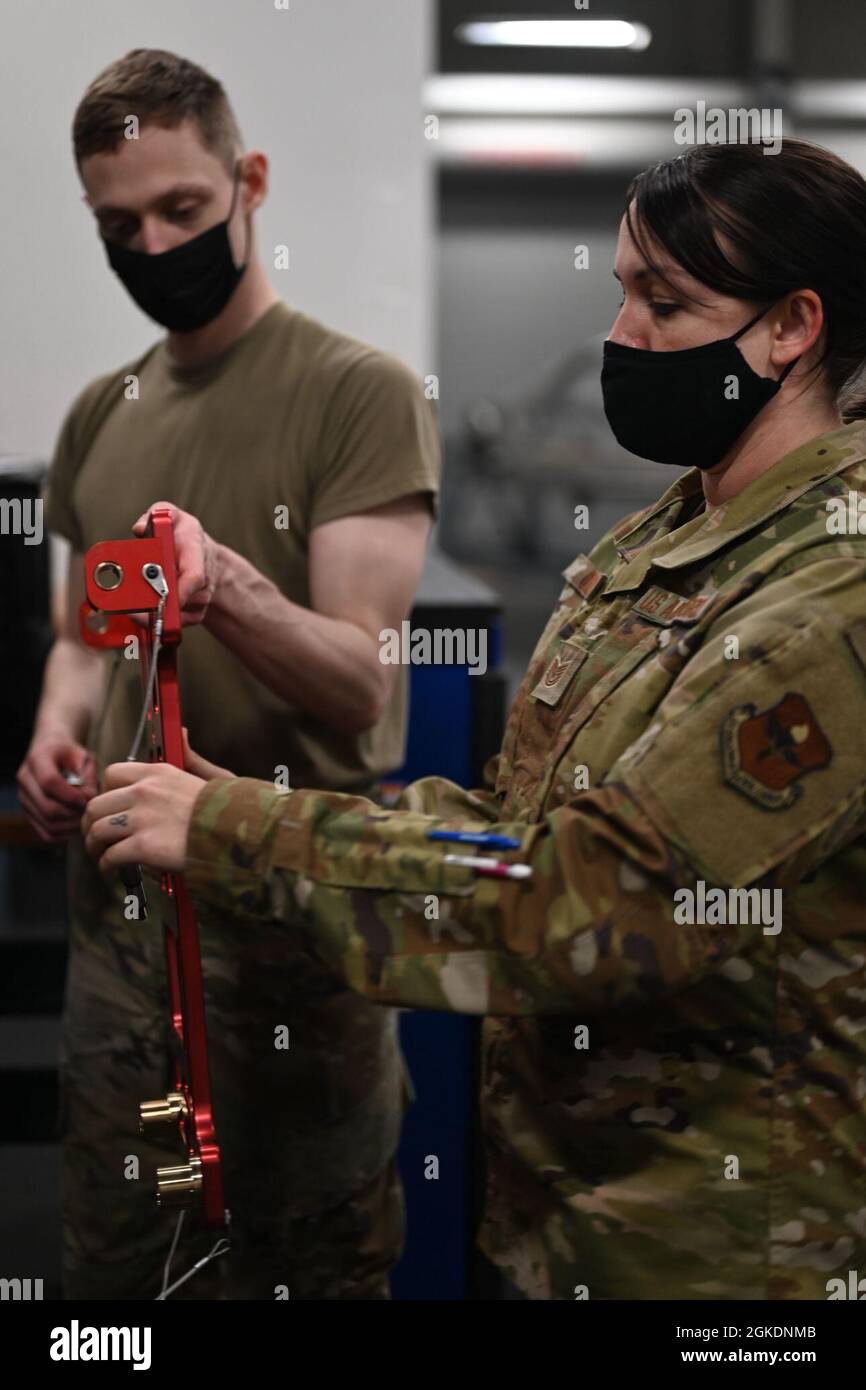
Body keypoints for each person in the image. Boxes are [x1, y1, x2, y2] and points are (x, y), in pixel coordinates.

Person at [84, 138, 866, 1301]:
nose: (621, 336)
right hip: (566, 1224)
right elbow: (511, 818)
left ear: (790, 327)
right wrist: (253, 800)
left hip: (727, 1262)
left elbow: (581, 902)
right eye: (620, 293)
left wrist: (236, 829)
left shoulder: (825, 593)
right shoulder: (669, 535)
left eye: (668, 302)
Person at [19, 48, 439, 1300]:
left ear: (248, 183)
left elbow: (360, 682)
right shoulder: (103, 412)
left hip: (288, 924)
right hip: (123, 933)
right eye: (119, 224)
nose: (152, 244)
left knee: (306, 1265)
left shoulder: (354, 392)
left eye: (182, 211)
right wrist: (56, 737)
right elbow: (79, 635)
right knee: (118, 1268)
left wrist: (232, 586)